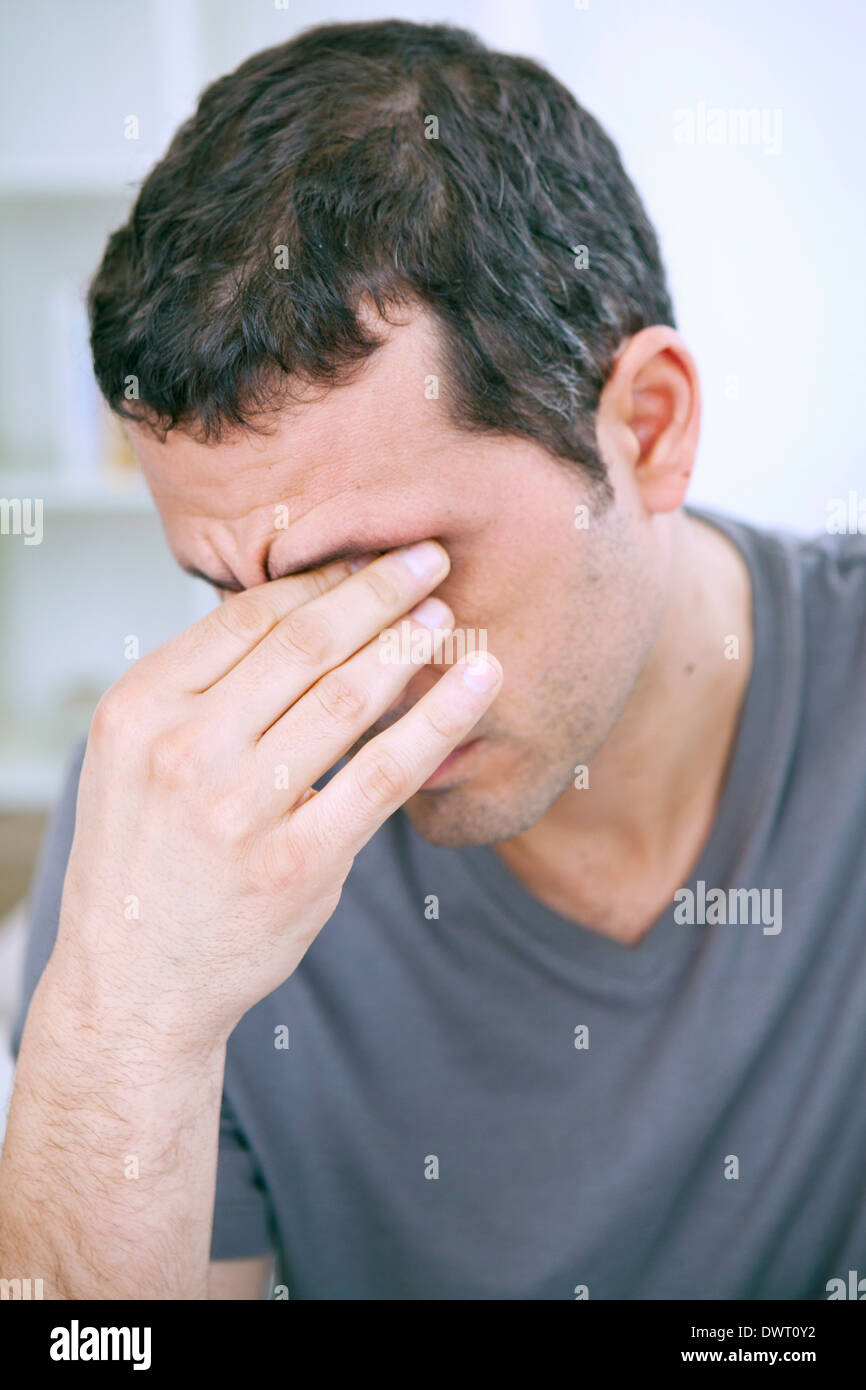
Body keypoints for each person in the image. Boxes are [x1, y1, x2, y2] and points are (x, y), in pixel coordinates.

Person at [2, 19, 864, 1301]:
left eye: (384, 575)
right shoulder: (177, 806)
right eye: (232, 598)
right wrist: (120, 1027)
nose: (321, 690)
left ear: (646, 428)